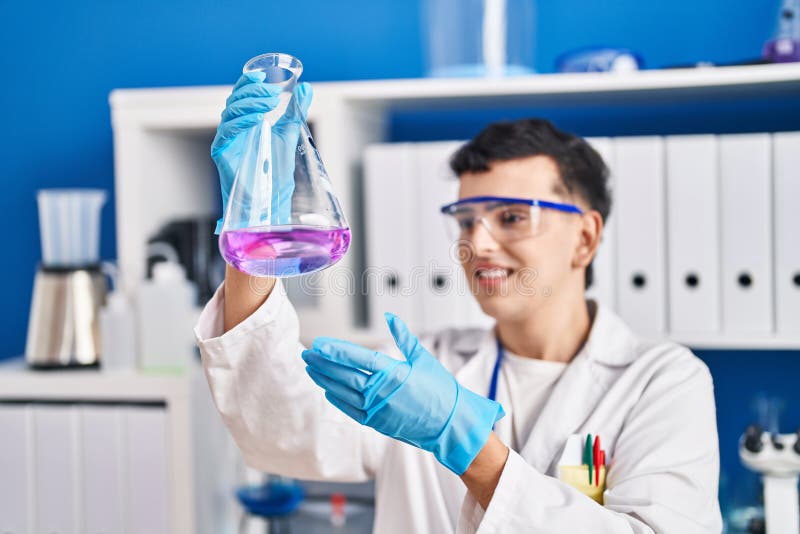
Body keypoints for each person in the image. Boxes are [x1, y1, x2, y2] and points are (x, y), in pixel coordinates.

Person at [195, 72, 722, 533]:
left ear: (585, 238)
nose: (479, 242)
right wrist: (252, 223)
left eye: (512, 217)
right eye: (467, 220)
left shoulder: (662, 381)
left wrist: (472, 451)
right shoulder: (420, 370)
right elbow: (276, 427)